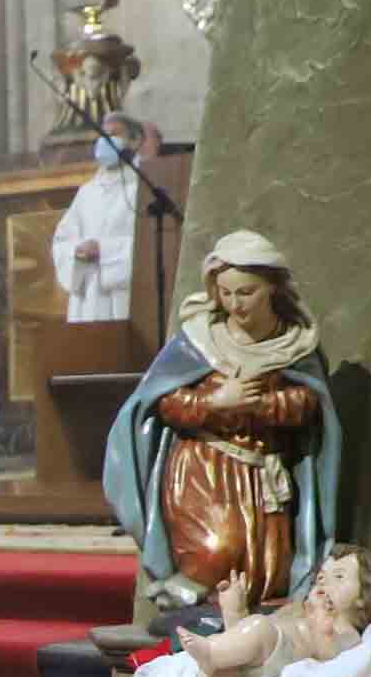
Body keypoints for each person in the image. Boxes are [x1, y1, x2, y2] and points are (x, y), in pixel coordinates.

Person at [97, 229, 343, 623]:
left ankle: (244, 627)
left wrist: (263, 404)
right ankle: (198, 614)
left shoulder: (295, 346)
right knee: (215, 549)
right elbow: (164, 403)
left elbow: (309, 406)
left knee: (266, 569)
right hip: (203, 470)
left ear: (273, 289)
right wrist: (214, 402)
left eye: (246, 293)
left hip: (263, 472)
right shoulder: (198, 342)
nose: (234, 304)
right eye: (226, 293)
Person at [49, 117, 157, 326]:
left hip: (124, 298)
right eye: (102, 136)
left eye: (114, 135)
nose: (105, 141)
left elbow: (151, 245)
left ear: (134, 141)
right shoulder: (87, 192)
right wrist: (77, 251)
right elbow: (61, 241)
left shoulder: (145, 189)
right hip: (87, 298)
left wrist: (104, 250)